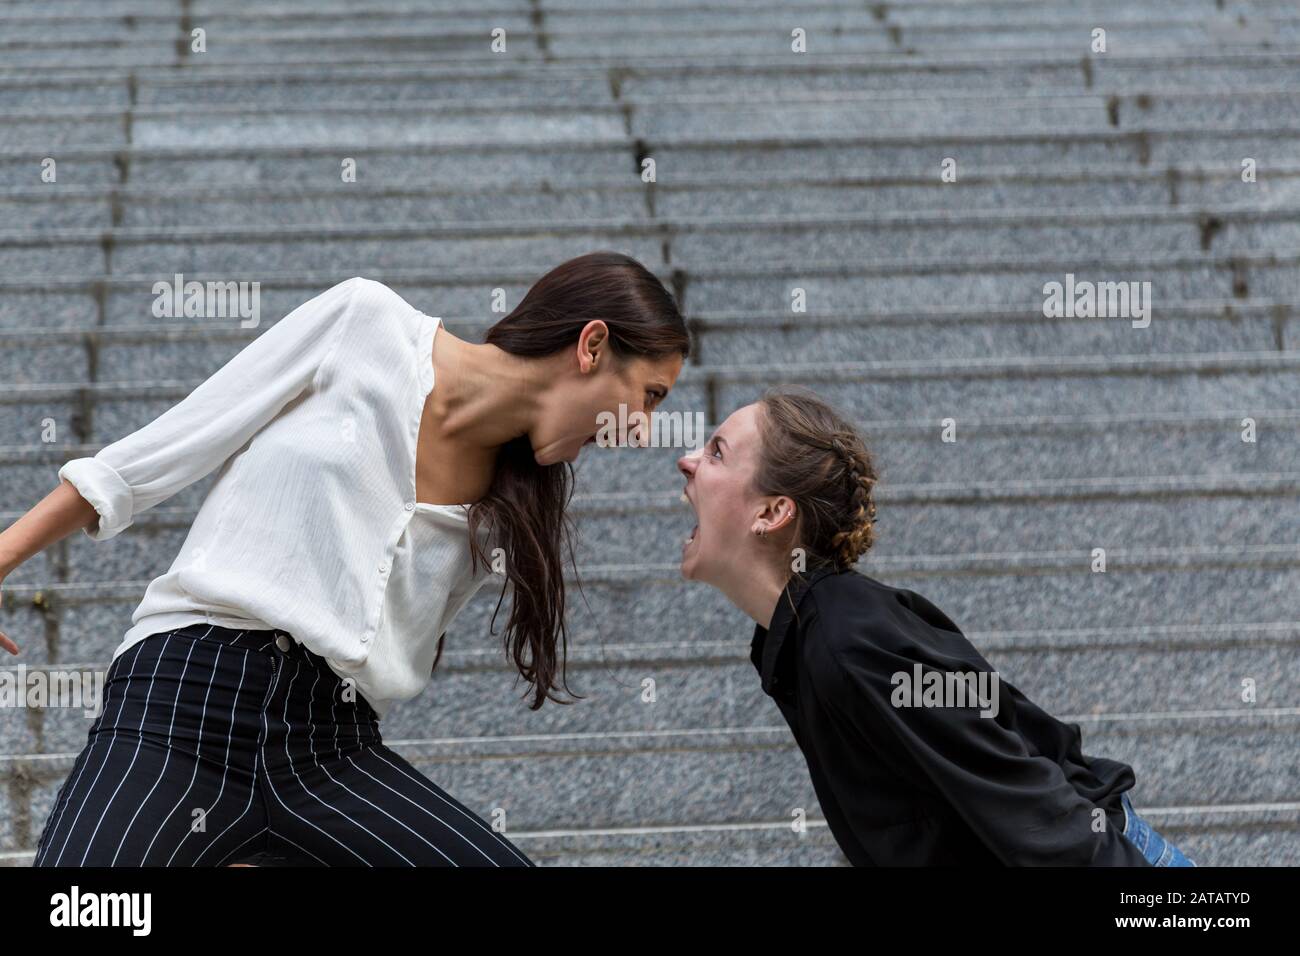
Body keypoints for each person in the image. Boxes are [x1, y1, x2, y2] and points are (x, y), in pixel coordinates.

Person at [0, 251, 689, 866]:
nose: (641, 431)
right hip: (185, 699)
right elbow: (153, 457)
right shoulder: (365, 325)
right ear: (592, 345)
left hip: (329, 748)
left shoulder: (511, 508)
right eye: (649, 397)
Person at [676, 385, 1197, 866]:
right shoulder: (815, 634)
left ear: (772, 512)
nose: (688, 461)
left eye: (717, 451)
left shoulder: (850, 642)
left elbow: (1025, 798)